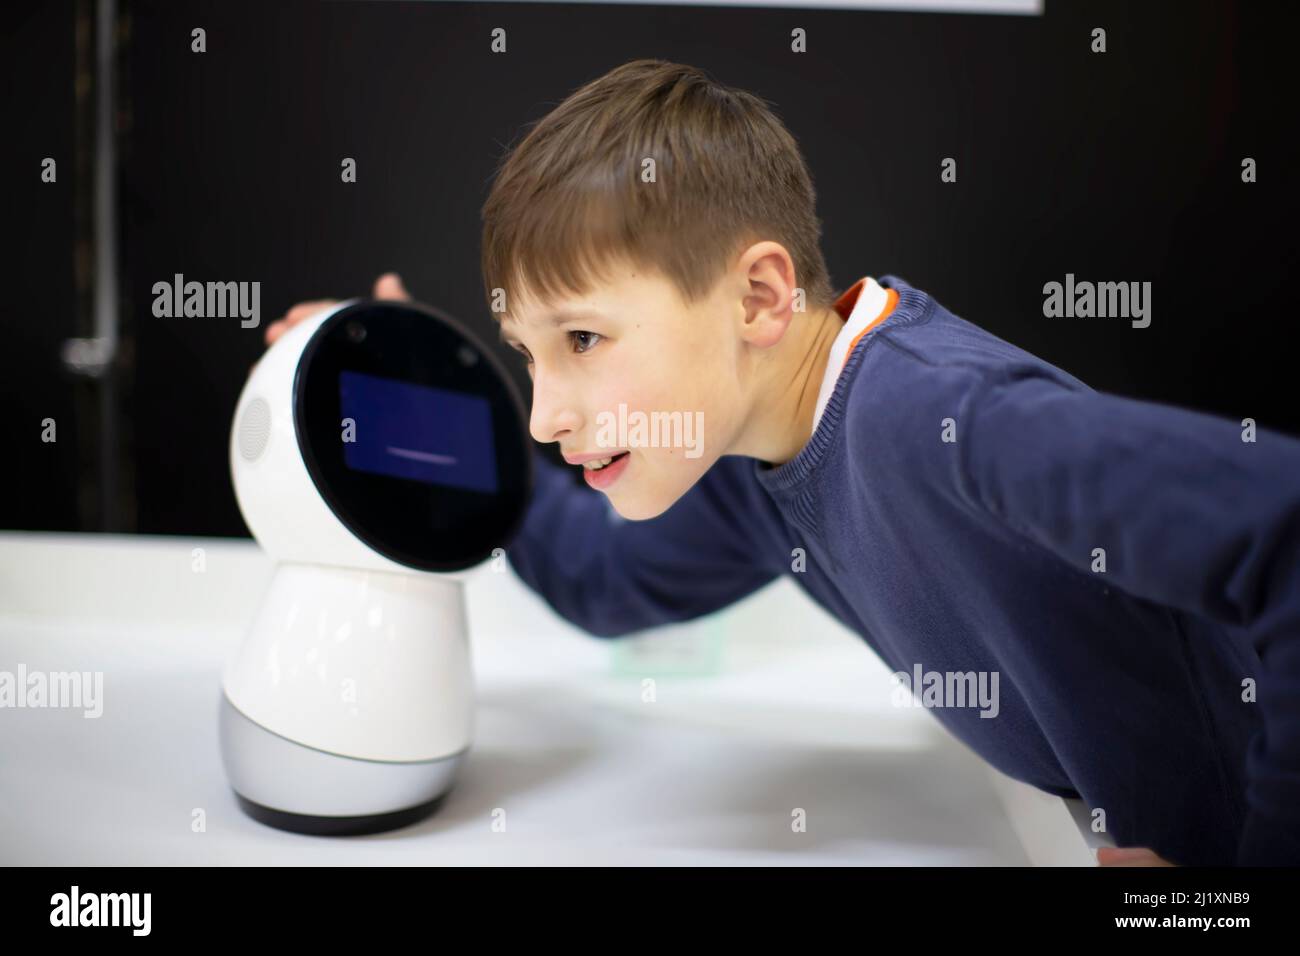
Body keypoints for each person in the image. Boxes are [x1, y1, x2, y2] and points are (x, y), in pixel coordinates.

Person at [262, 60, 1300, 867]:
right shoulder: (754, 458)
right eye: (530, 358)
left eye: (582, 341)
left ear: (759, 297)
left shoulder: (938, 415)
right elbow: (600, 578)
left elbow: (1285, 526)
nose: (543, 416)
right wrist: (435, 401)